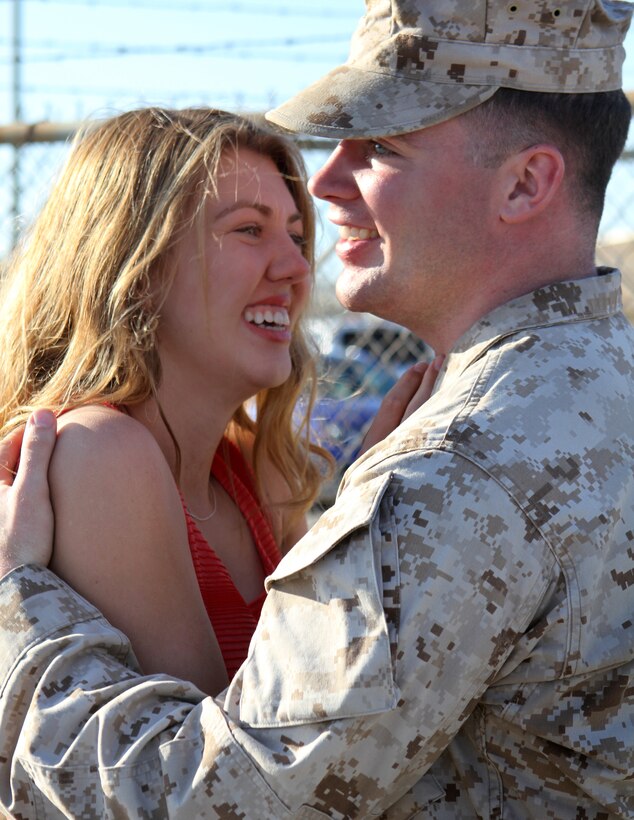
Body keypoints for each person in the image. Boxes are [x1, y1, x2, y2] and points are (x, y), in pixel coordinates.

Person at [0, 0, 633, 816]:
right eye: (248, 229)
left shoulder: (449, 472)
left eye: (381, 147)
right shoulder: (576, 393)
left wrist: (17, 607)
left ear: (525, 183)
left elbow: (211, 796)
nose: (305, 252)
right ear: (131, 261)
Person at [0, 106, 339, 694]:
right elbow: (210, 767)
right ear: (136, 264)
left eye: (298, 237)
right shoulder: (98, 453)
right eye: (249, 229)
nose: (296, 268)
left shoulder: (258, 468)